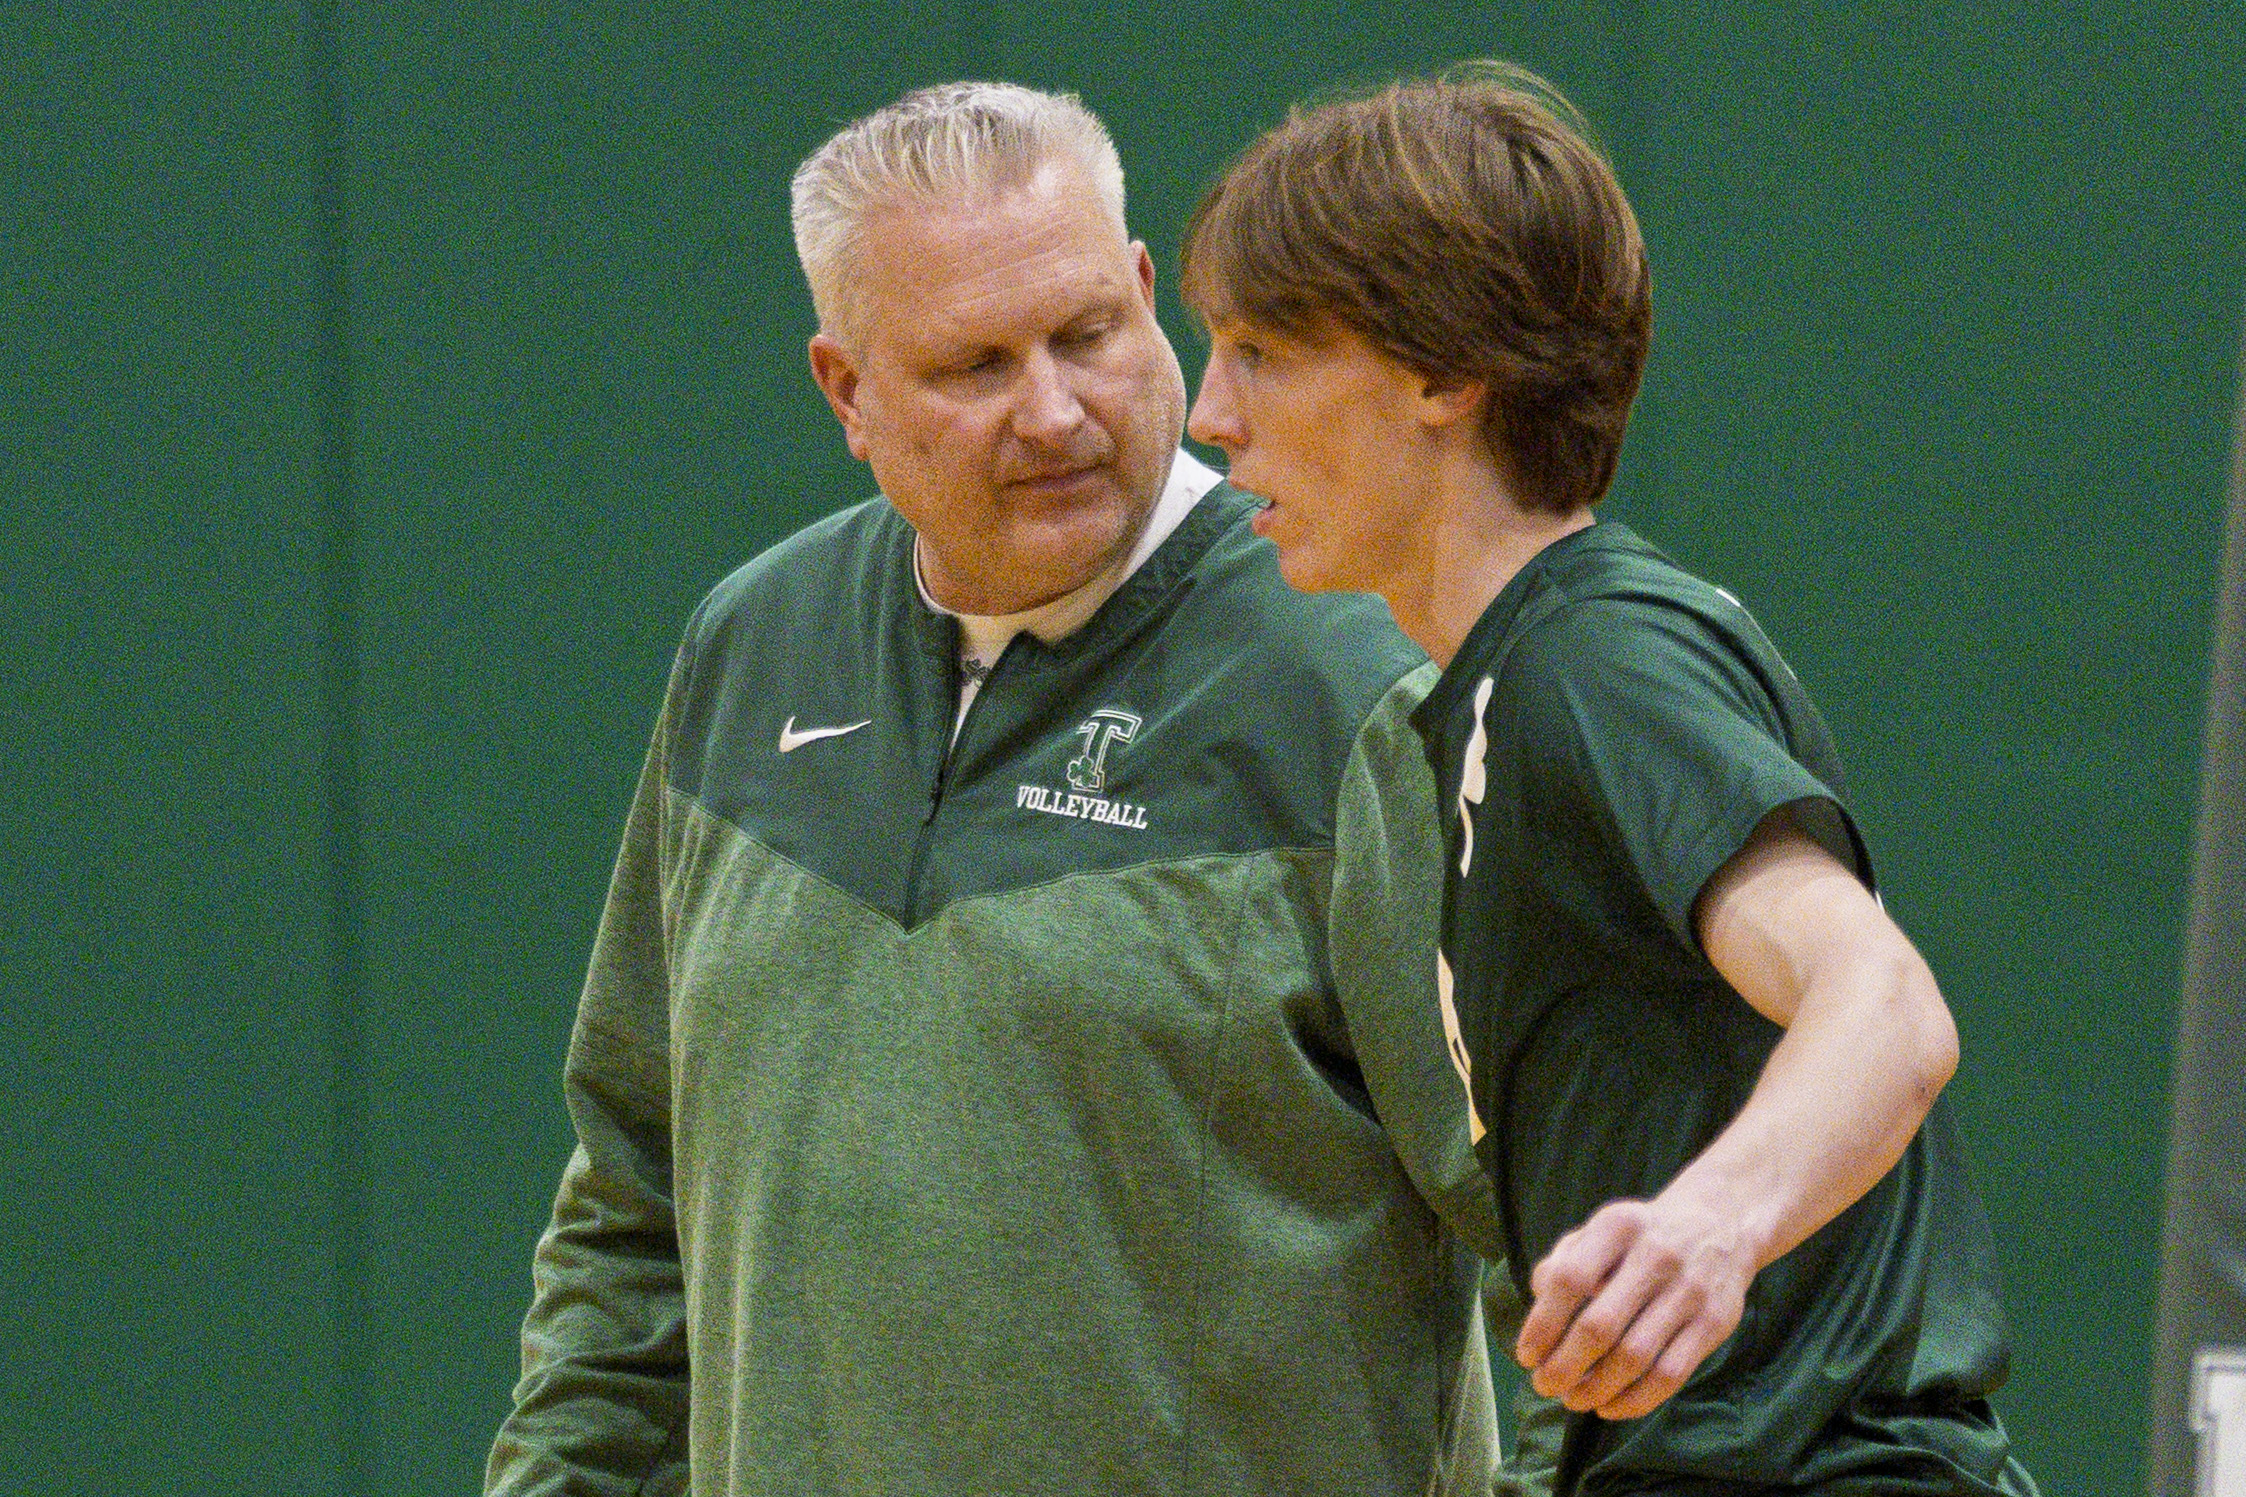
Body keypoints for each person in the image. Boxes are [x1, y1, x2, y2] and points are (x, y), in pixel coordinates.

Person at [485, 81, 1558, 1497]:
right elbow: (635, 1207)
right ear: (845, 389)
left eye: (1087, 335)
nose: (1053, 410)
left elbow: (1579, 1241)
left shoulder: (1365, 677)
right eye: (975, 366)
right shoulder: (755, 643)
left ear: (1140, 294)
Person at [1180, 62, 2040, 1495]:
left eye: (1265, 349)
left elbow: (1882, 1000)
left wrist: (1708, 1223)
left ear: (1441, 371)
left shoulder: (1589, 664)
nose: (1211, 411)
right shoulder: (1511, 686)